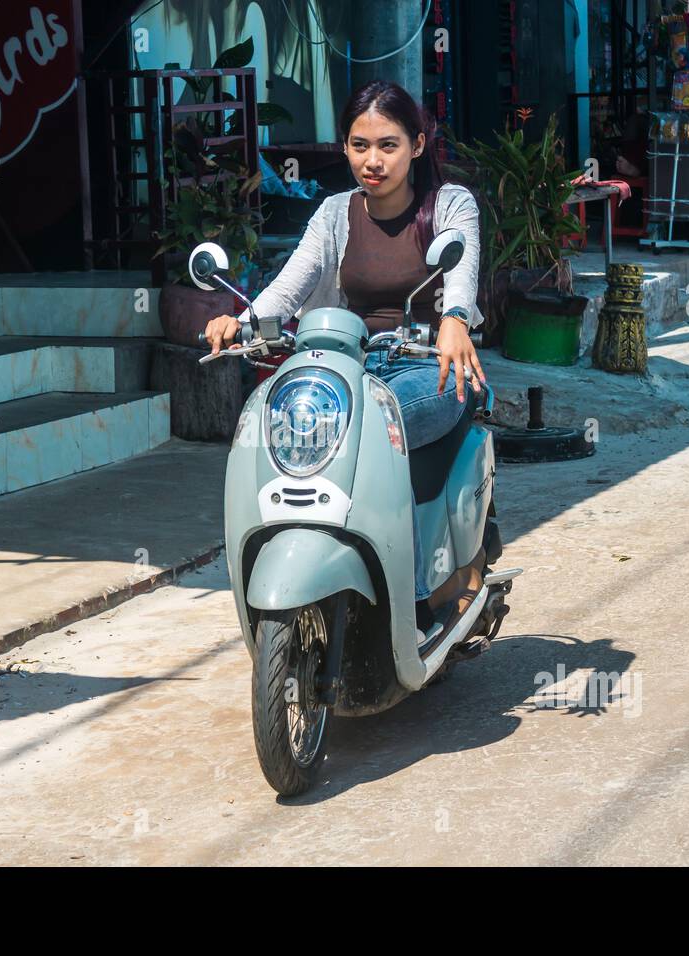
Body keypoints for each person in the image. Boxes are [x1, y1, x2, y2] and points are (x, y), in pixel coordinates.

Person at [203, 80, 486, 635]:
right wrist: (240, 320)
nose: (372, 161)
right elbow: (289, 286)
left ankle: (412, 593)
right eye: (359, 146)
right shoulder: (335, 213)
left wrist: (454, 319)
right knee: (283, 424)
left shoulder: (451, 205)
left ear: (418, 146)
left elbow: (462, 276)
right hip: (346, 367)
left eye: (388, 145)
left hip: (428, 368)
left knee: (374, 430)